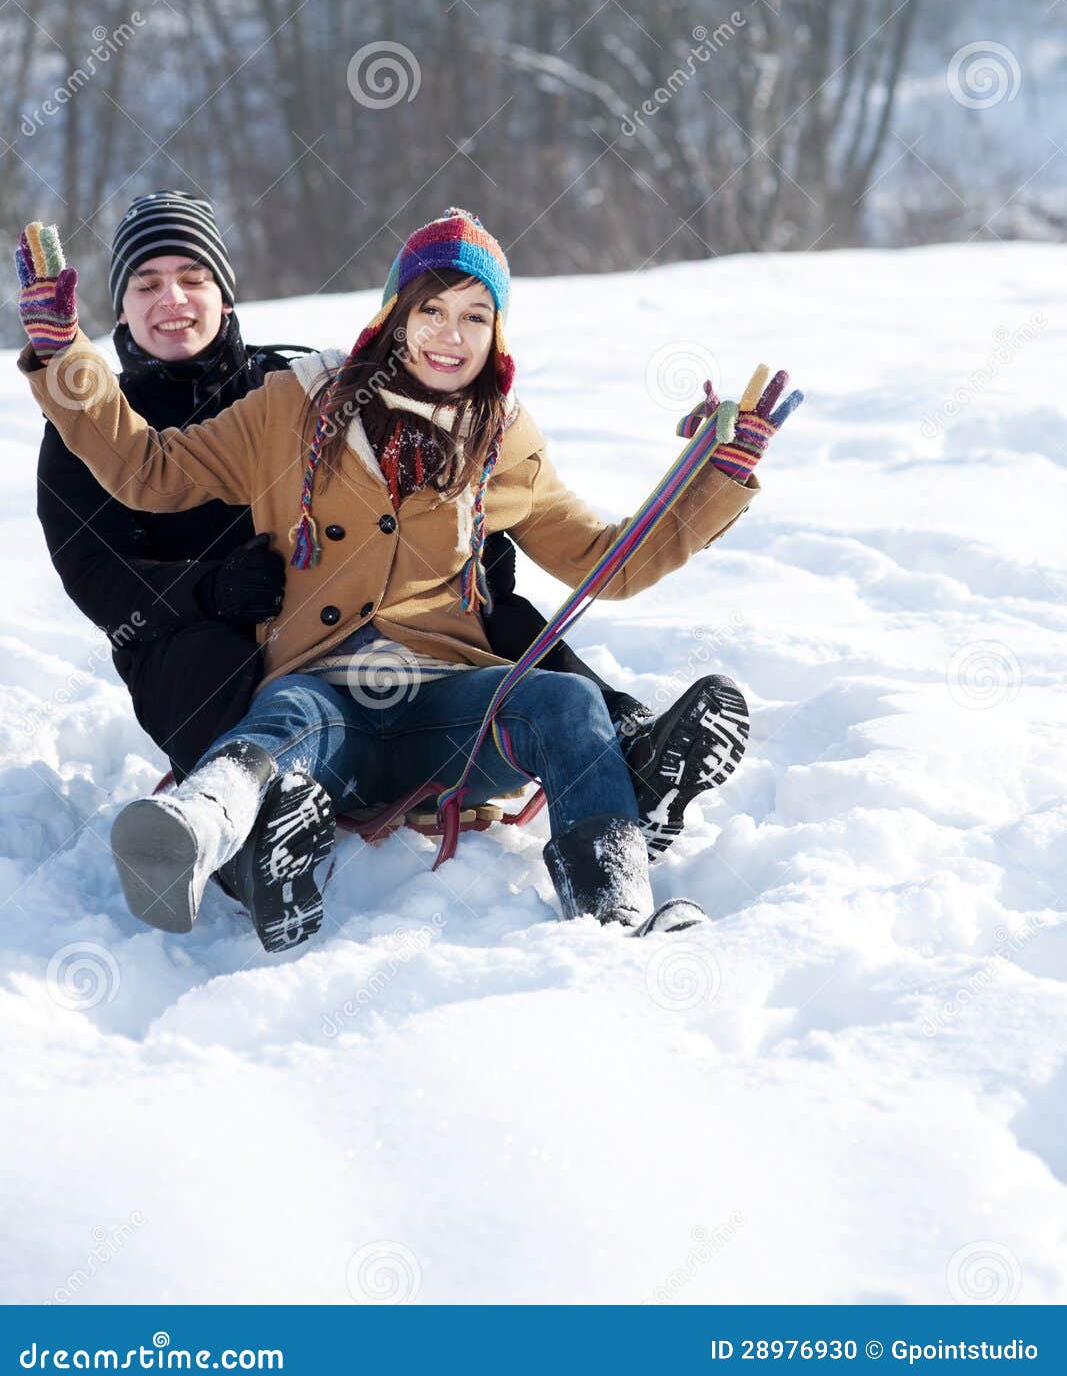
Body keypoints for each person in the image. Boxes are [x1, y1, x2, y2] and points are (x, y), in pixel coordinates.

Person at [16, 208, 776, 951]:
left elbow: (602, 562)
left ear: (496, 334)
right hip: (322, 697)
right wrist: (65, 357)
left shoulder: (503, 437)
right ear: (395, 315)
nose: (450, 334)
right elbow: (153, 472)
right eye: (432, 309)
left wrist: (714, 479)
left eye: (475, 316)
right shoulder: (295, 404)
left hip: (445, 710)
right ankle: (198, 828)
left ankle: (614, 904)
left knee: (566, 701)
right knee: (281, 720)